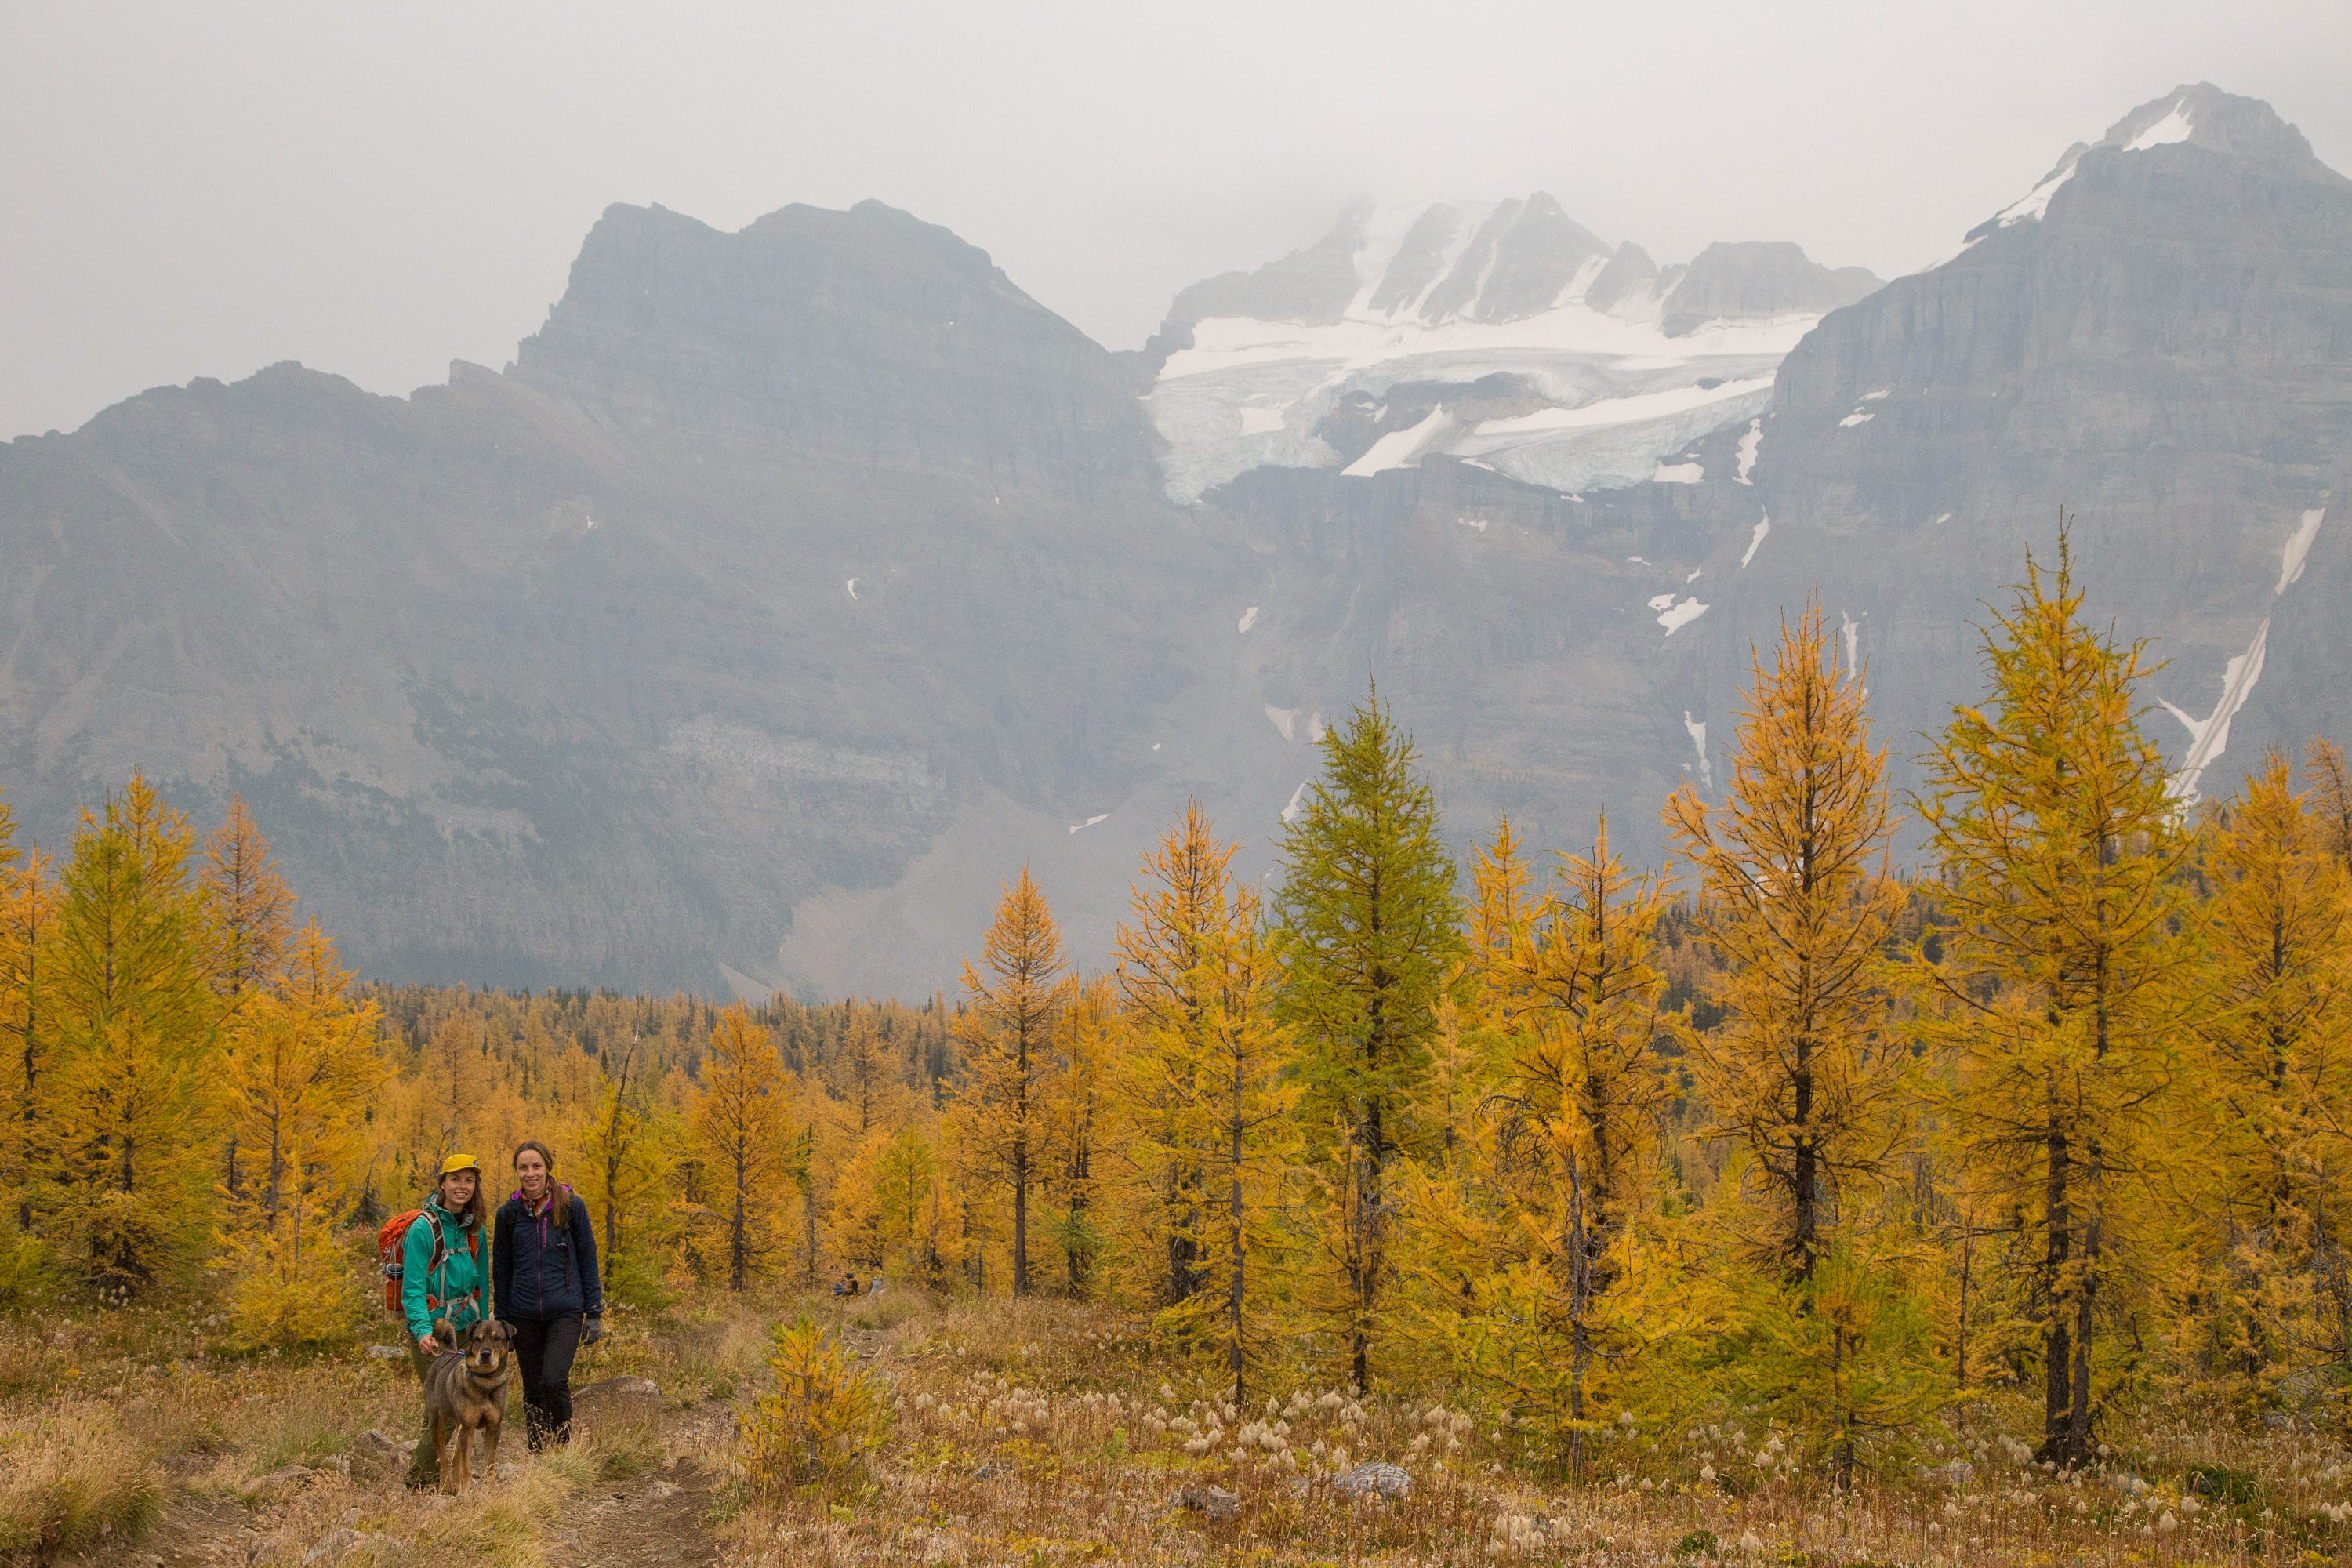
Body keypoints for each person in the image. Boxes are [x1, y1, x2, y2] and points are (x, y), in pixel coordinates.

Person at [492, 1140, 603, 1450]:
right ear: (517, 1172)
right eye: (523, 1167)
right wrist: (502, 1322)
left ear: (547, 1168)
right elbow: (501, 1269)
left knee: (554, 1380)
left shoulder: (571, 1206)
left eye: (536, 1166)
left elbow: (588, 1257)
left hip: (565, 1309)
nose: (530, 1173)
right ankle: (539, 1451)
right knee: (533, 1388)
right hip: (522, 1313)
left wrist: (593, 1312)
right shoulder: (508, 1214)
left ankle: (561, 1449)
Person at [402, 1153, 492, 1490]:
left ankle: (455, 1478)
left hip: (468, 1331)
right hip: (434, 1332)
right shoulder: (422, 1230)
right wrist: (423, 1332)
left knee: (465, 1407)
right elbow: (411, 1289)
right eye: (455, 1179)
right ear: (442, 1184)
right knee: (442, 1408)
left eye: (469, 1180)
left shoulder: (474, 1227)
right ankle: (418, 1484)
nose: (462, 1186)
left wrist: (484, 1329)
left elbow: (482, 1280)